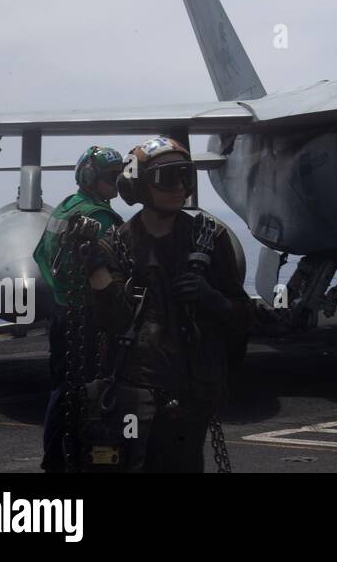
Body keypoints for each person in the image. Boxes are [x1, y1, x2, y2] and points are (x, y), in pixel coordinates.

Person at [87, 136, 252, 472]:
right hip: (133, 391)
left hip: (191, 393)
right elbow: (113, 322)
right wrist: (97, 274)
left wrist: (212, 299)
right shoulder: (116, 245)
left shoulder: (209, 240)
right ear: (137, 188)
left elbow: (244, 315)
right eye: (167, 177)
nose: (181, 187)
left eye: (185, 176)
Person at [33, 145, 125, 472]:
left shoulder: (66, 207)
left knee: (63, 386)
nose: (117, 184)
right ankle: (67, 457)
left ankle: (55, 455)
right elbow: (120, 267)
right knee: (86, 389)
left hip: (62, 309)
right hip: (87, 315)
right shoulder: (100, 217)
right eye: (110, 178)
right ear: (91, 178)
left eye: (119, 176)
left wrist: (62, 290)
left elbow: (40, 255)